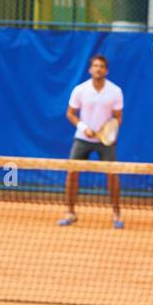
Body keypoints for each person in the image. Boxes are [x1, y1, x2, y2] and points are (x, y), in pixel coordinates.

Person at [58, 54, 125, 229]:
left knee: (112, 176)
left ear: (106, 70)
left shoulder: (115, 91)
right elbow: (70, 113)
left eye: (101, 66)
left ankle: (116, 214)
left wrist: (106, 132)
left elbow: (118, 118)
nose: (98, 69)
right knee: (72, 173)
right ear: (90, 69)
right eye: (95, 66)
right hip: (82, 138)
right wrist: (83, 127)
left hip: (105, 142)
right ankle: (70, 212)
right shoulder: (80, 90)